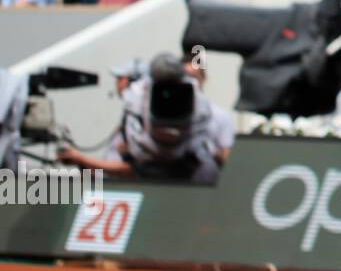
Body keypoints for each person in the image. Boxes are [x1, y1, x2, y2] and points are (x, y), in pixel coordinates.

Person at [58, 53, 221, 186]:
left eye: (124, 78)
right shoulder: (134, 111)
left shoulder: (203, 109)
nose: (120, 84)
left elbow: (131, 169)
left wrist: (81, 159)